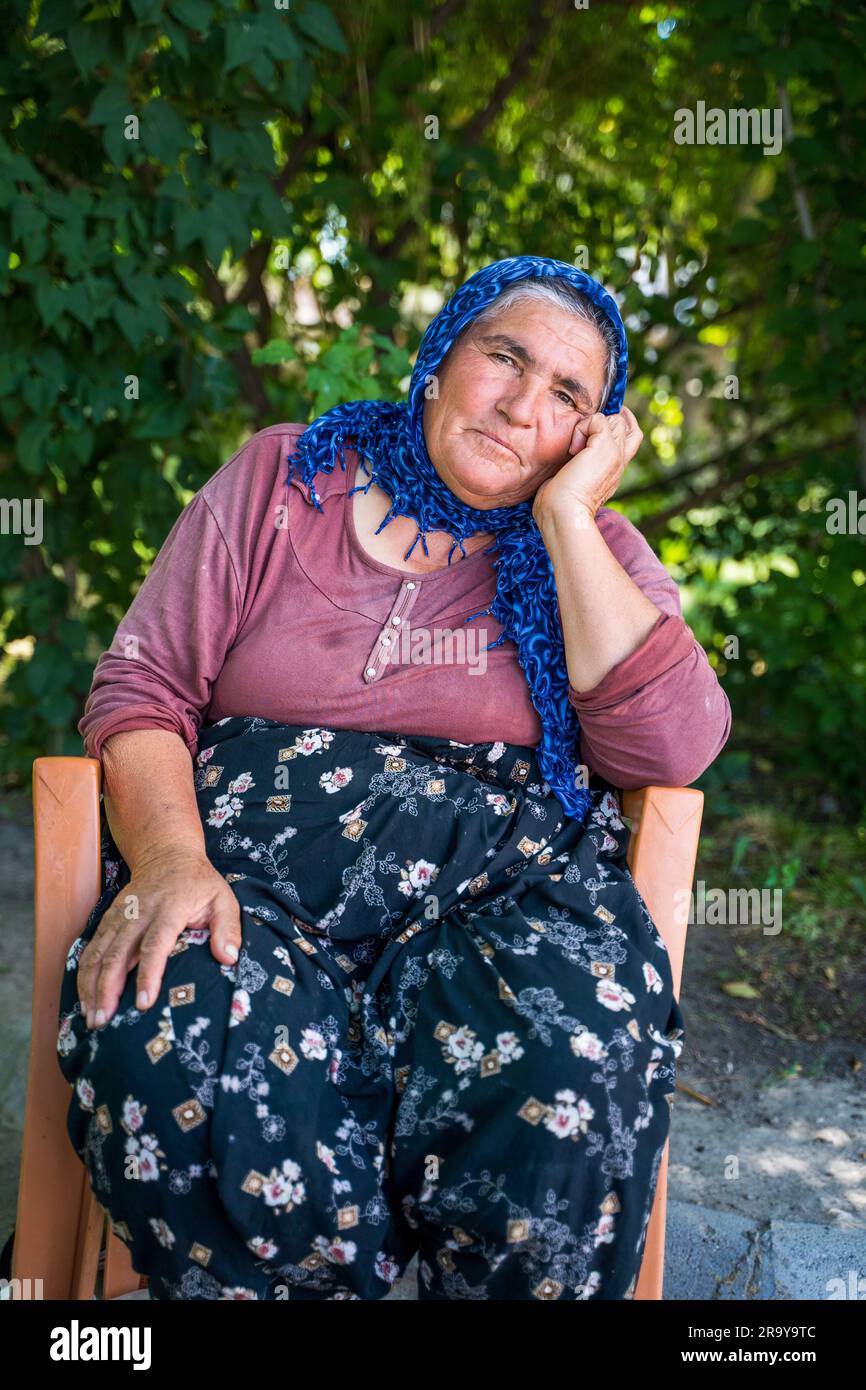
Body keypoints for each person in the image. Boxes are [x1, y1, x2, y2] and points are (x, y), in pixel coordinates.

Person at [57, 255, 731, 1301]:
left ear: (592, 438)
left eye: (566, 396)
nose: (518, 405)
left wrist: (564, 523)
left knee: (572, 1057)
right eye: (502, 356)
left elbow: (672, 748)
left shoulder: (593, 554)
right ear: (438, 355)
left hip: (499, 911)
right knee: (163, 1024)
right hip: (254, 897)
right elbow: (143, 689)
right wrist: (170, 858)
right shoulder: (286, 478)